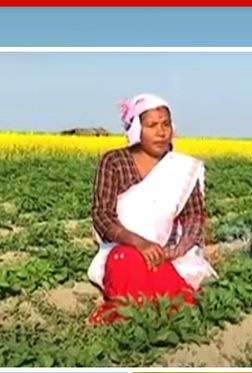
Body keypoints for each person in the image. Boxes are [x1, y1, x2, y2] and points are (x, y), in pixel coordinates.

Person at [86, 93, 217, 325]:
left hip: (167, 253)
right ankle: (140, 311)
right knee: (126, 261)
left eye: (166, 124)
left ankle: (153, 309)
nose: (161, 132)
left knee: (172, 282)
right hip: (123, 246)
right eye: (152, 125)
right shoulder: (114, 162)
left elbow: (194, 217)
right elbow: (102, 215)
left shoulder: (181, 168)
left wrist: (175, 250)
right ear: (136, 129)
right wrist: (139, 243)